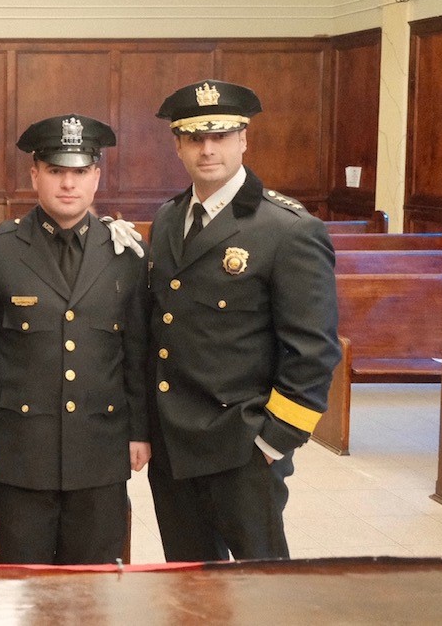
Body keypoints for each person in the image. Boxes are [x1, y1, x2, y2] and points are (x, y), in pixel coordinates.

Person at [146, 79, 340, 561]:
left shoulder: (288, 229)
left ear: (243, 140)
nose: (208, 149)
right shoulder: (168, 218)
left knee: (262, 588)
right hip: (174, 445)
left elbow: (313, 351)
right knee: (189, 584)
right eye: (195, 138)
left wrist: (274, 442)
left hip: (243, 445)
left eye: (221, 136)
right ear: (177, 146)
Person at [0, 115, 150, 564]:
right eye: (57, 171)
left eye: (80, 171)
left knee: (94, 585)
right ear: (34, 175)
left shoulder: (127, 255)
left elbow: (136, 352)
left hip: (100, 450)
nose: (68, 184)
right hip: (21, 452)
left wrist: (140, 431)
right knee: (25, 583)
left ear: (97, 177)